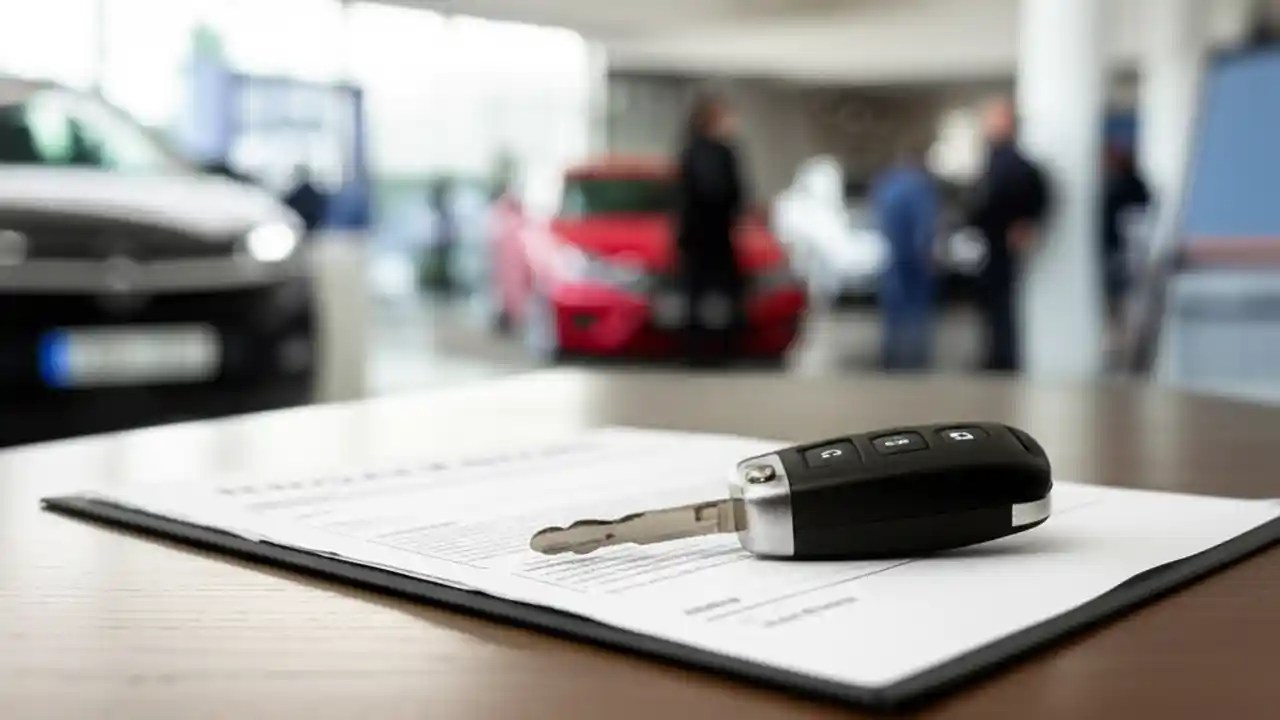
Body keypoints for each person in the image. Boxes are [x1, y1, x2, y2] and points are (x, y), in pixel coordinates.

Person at [966, 97, 1049, 372]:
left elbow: (1033, 194)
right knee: (991, 304)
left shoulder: (1014, 164)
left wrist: (1027, 223)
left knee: (1002, 305)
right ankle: (995, 356)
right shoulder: (993, 160)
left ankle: (1003, 359)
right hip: (988, 242)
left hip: (1001, 243)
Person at [674, 93, 747, 365]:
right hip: (712, 235)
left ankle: (700, 348)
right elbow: (724, 194)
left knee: (698, 294)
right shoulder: (718, 153)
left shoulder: (691, 151)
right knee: (722, 293)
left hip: (698, 236)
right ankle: (720, 347)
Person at [871, 145, 939, 370]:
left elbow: (878, 219)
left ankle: (892, 355)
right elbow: (924, 223)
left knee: (894, 308)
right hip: (915, 257)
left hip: (893, 256)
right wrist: (927, 252)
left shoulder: (886, 185)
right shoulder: (920, 187)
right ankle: (915, 358)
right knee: (916, 309)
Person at [1101, 143, 1150, 319]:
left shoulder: (1118, 188)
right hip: (1123, 247)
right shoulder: (1133, 186)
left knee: (1119, 288)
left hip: (1119, 246)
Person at [284, 165, 327, 233]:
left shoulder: (301, 192)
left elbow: (289, 203)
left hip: (304, 222)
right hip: (307, 222)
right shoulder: (311, 191)